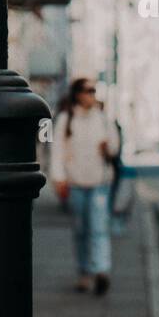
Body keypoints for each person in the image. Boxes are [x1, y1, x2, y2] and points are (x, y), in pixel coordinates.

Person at [50, 78, 120, 295]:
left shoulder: (102, 118)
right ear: (78, 94)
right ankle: (84, 272)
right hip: (75, 183)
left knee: (98, 229)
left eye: (94, 91)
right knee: (81, 230)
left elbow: (115, 147)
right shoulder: (65, 119)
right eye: (88, 91)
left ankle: (101, 271)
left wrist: (108, 148)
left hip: (100, 182)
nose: (92, 95)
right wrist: (58, 178)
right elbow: (57, 151)